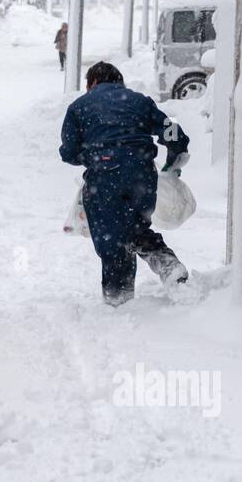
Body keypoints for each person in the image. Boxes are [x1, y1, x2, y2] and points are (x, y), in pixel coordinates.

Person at [59, 61, 190, 306]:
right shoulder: (141, 101)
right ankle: (168, 265)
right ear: (119, 81)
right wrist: (174, 159)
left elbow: (68, 152)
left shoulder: (79, 107)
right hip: (142, 176)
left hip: (104, 178)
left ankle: (118, 300)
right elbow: (172, 131)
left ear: (92, 83)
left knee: (112, 241)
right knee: (135, 229)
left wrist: (91, 156)